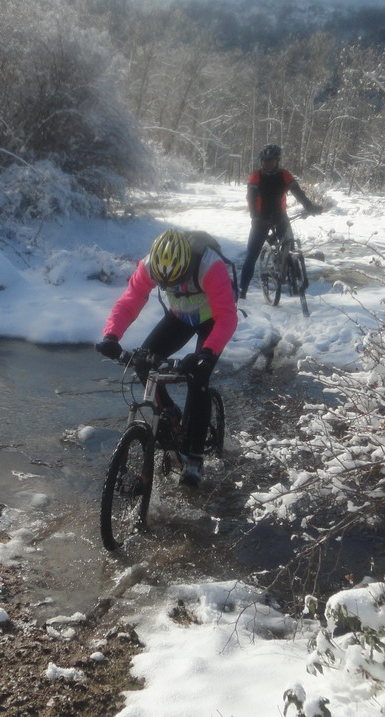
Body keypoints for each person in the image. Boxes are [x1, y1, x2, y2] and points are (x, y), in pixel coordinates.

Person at [95, 229, 238, 486]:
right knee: (143, 364)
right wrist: (111, 336)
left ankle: (194, 458)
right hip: (180, 317)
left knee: (198, 377)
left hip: (212, 319)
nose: (175, 287)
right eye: (167, 284)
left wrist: (207, 353)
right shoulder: (150, 265)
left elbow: (227, 316)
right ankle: (170, 415)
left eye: (178, 281)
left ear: (187, 266)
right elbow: (130, 301)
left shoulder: (209, 266)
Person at [239, 144, 319, 299]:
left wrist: (309, 206)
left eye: (271, 160)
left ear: (277, 160)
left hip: (280, 217)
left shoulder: (284, 175)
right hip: (260, 219)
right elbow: (251, 199)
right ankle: (242, 290)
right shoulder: (256, 176)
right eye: (265, 160)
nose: (268, 163)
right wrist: (255, 217)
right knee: (252, 254)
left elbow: (297, 192)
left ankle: (288, 273)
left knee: (289, 246)